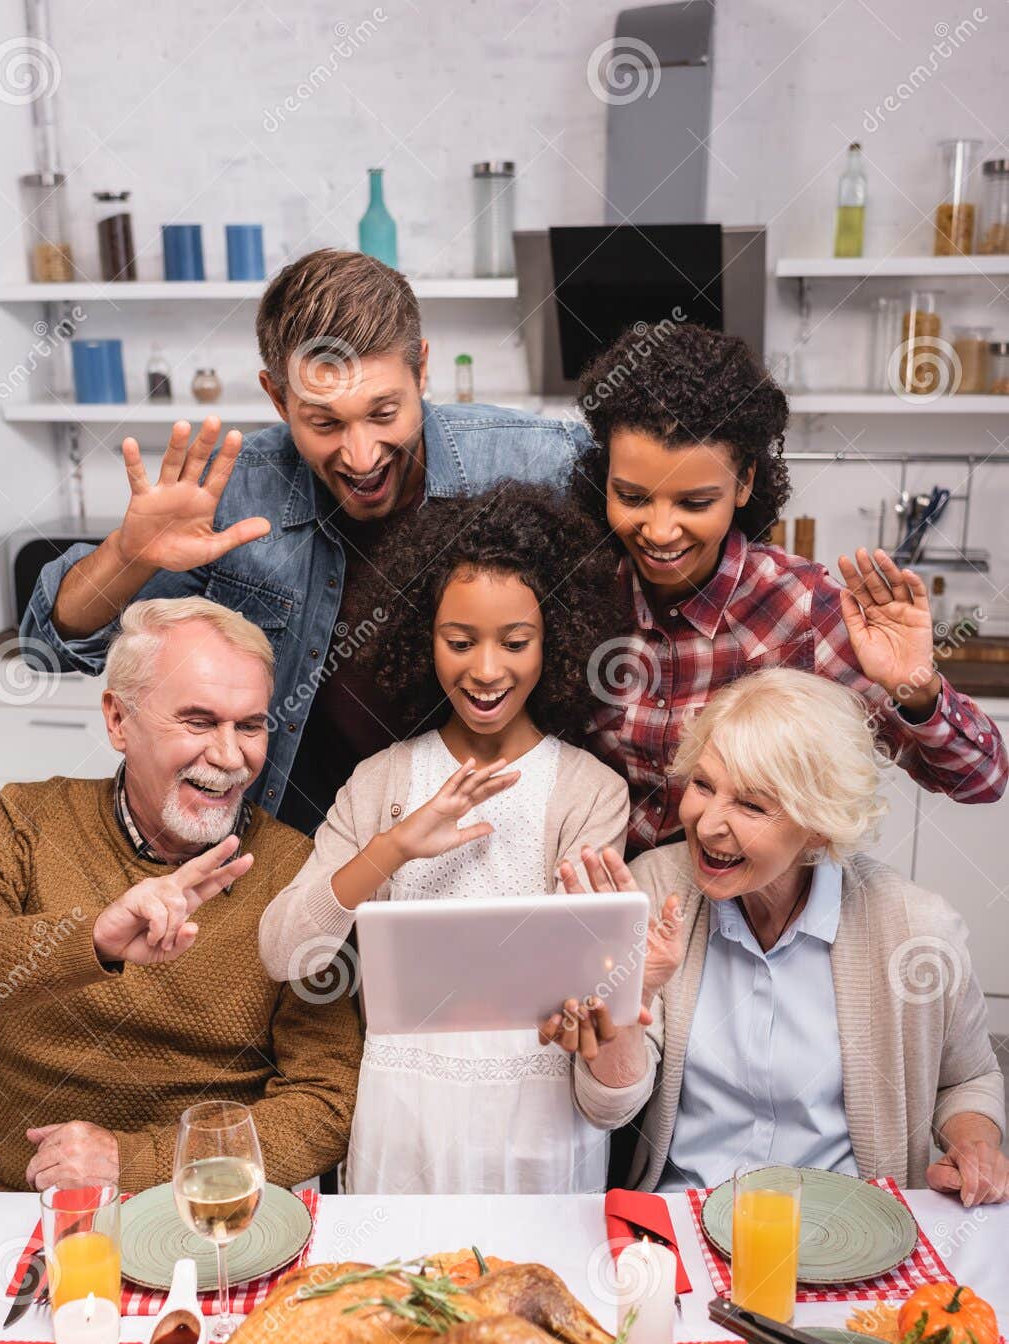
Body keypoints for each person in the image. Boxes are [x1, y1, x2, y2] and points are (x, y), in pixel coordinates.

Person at [21, 249, 587, 836]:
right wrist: (127, 556)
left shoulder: (540, 459)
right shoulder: (232, 491)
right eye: (325, 423)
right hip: (298, 846)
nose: (361, 456)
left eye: (383, 413)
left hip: (502, 836)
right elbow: (48, 648)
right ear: (277, 397)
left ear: (421, 370)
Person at [258, 482, 634, 1195]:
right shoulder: (381, 781)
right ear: (421, 637)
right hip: (403, 1118)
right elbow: (283, 951)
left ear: (555, 641)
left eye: (515, 643)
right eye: (459, 643)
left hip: (539, 1119)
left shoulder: (590, 792)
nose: (486, 671)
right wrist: (392, 847)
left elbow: (586, 979)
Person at [0, 598, 360, 1193]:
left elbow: (329, 1103)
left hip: (216, 1210)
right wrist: (92, 940)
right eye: (198, 722)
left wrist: (136, 1162)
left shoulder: (298, 872)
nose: (230, 757)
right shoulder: (27, 822)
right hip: (35, 1208)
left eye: (249, 726)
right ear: (118, 720)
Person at [545, 668, 1008, 1206]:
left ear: (819, 826)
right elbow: (608, 1109)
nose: (707, 824)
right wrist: (631, 1000)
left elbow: (967, 1078)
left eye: (752, 805)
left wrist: (974, 1146)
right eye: (703, 785)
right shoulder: (654, 890)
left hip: (851, 1226)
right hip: (685, 1215)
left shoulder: (917, 929)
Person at [571, 322, 1007, 852]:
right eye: (633, 497)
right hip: (606, 889)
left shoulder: (801, 609)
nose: (660, 531)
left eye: (695, 503)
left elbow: (981, 781)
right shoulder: (577, 588)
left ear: (744, 483)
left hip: (740, 892)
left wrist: (916, 689)